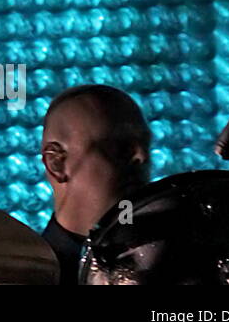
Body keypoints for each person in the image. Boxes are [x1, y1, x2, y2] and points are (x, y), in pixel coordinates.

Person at [39, 84, 152, 285]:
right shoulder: (29, 275)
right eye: (120, 147)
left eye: (145, 145)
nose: (141, 157)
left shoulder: (175, 258)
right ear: (57, 163)